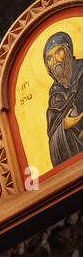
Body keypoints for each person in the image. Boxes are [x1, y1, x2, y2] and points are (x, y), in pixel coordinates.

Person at [43, 32, 83, 167]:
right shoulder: (55, 97)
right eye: (49, 58)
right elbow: (53, 141)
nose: (54, 61)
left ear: (68, 51)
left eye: (58, 52)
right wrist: (64, 125)